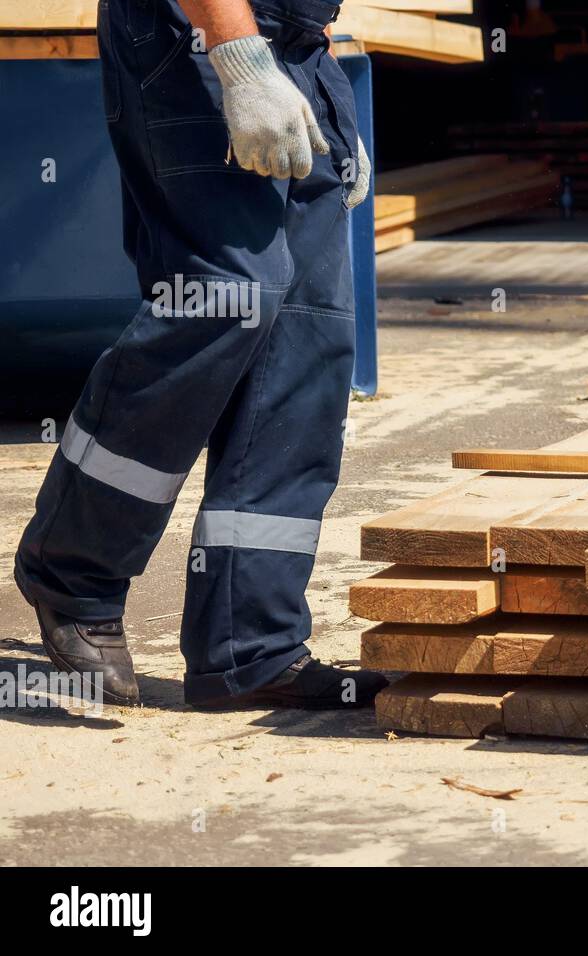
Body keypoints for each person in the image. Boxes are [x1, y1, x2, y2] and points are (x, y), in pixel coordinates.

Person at [13, 0, 389, 710]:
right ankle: (73, 570)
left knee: (307, 335)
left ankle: (250, 646)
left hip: (296, 49)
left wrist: (322, 66)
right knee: (226, 298)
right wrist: (238, 52)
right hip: (198, 38)